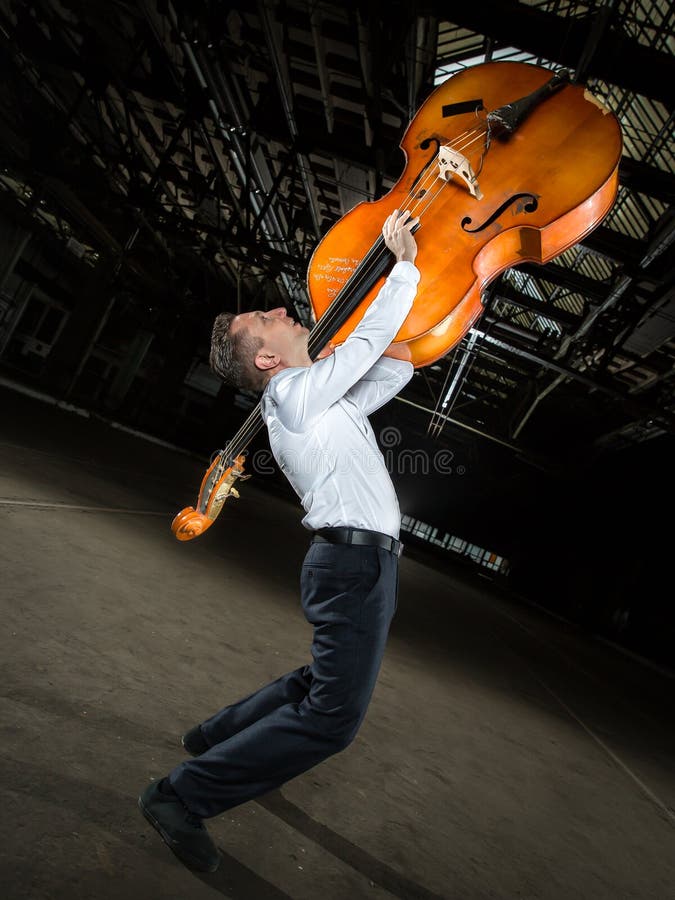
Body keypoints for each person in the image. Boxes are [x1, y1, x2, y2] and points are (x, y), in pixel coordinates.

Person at [138, 209, 420, 872]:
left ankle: (213, 736)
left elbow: (385, 370)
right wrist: (401, 266)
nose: (274, 308)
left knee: (321, 684)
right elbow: (357, 350)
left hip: (358, 564)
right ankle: (178, 797)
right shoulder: (289, 396)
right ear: (266, 360)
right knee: (332, 719)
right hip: (352, 563)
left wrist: (428, 315)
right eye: (261, 320)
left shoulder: (315, 399)